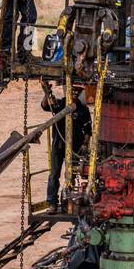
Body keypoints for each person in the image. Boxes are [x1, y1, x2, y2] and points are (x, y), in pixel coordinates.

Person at [41, 80, 91, 210]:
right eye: (73, 89)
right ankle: (52, 202)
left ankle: (68, 202)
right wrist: (47, 93)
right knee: (54, 174)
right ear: (69, 89)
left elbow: (88, 130)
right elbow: (46, 105)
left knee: (72, 175)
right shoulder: (60, 104)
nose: (75, 92)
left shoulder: (83, 109)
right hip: (59, 145)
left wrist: (85, 144)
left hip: (75, 147)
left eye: (78, 90)